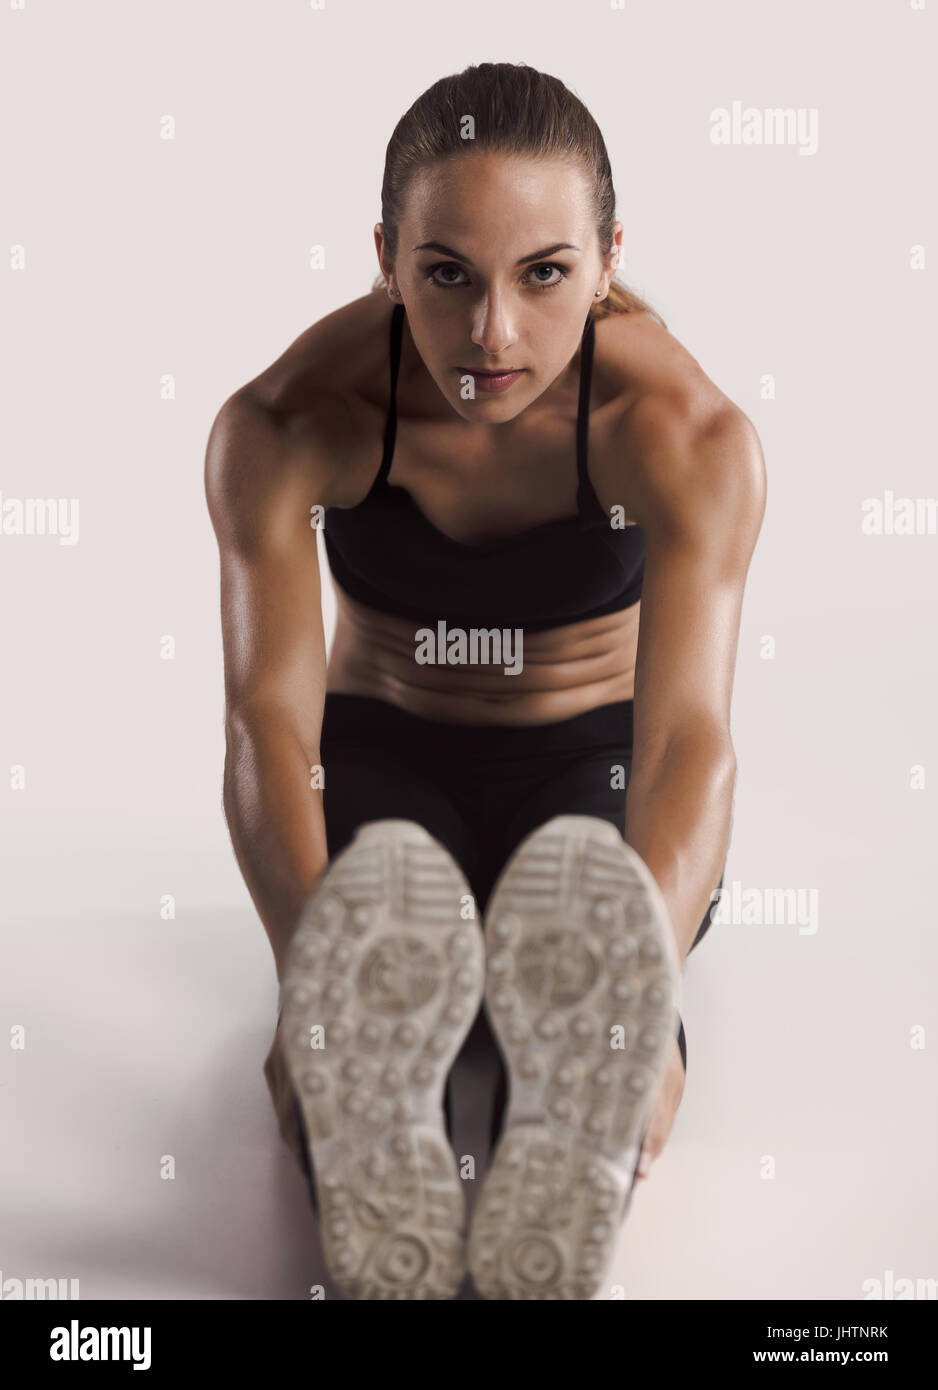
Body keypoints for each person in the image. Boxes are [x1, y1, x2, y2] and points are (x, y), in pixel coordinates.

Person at [205, 62, 765, 1299]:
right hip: (387, 751)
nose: (491, 333)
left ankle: (608, 1103)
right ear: (385, 256)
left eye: (543, 273)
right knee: (379, 955)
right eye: (446, 272)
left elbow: (687, 743)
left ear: (608, 257)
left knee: (573, 978)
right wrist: (311, 986)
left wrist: (643, 975)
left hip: (595, 758)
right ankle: (359, 1118)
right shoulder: (291, 419)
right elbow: (266, 721)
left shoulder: (682, 434)